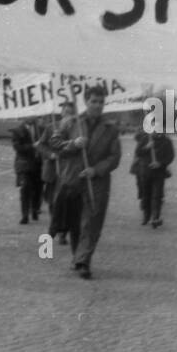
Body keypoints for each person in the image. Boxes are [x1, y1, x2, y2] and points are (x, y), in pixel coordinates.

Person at [49, 85, 121, 279]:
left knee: (92, 222)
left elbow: (114, 157)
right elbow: (54, 143)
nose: (97, 105)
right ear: (86, 101)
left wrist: (96, 170)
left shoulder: (110, 129)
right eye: (93, 101)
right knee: (75, 222)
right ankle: (77, 256)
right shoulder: (70, 122)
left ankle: (83, 261)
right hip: (72, 179)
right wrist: (72, 144)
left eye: (101, 102)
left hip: (97, 182)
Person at [131, 129, 175, 227]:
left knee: (157, 195)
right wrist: (147, 147)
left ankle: (155, 217)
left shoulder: (167, 141)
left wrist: (159, 163)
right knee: (146, 195)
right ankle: (146, 216)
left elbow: (170, 156)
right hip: (145, 172)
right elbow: (138, 152)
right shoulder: (145, 139)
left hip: (159, 173)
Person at [37, 105, 68, 241]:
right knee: (52, 202)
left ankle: (63, 232)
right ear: (61, 113)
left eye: (71, 112)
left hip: (68, 171)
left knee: (66, 201)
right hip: (52, 171)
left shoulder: (77, 128)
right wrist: (50, 155)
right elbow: (41, 145)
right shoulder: (51, 127)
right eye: (66, 111)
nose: (68, 115)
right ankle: (54, 226)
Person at [12, 116, 42, 224]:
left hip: (38, 163)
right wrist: (32, 146)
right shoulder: (18, 130)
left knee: (37, 188)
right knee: (25, 188)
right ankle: (25, 215)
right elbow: (17, 147)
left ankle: (34, 209)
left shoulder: (40, 128)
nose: (31, 117)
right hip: (24, 164)